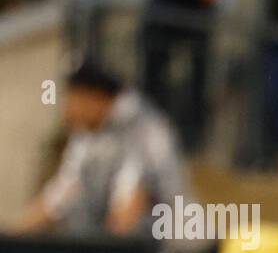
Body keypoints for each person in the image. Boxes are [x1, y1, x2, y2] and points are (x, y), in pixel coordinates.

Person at [15, 63, 188, 239]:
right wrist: (14, 237)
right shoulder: (87, 134)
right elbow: (63, 192)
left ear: (95, 97)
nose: (67, 110)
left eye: (73, 99)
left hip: (167, 246)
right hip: (112, 246)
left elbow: (131, 205)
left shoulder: (143, 127)